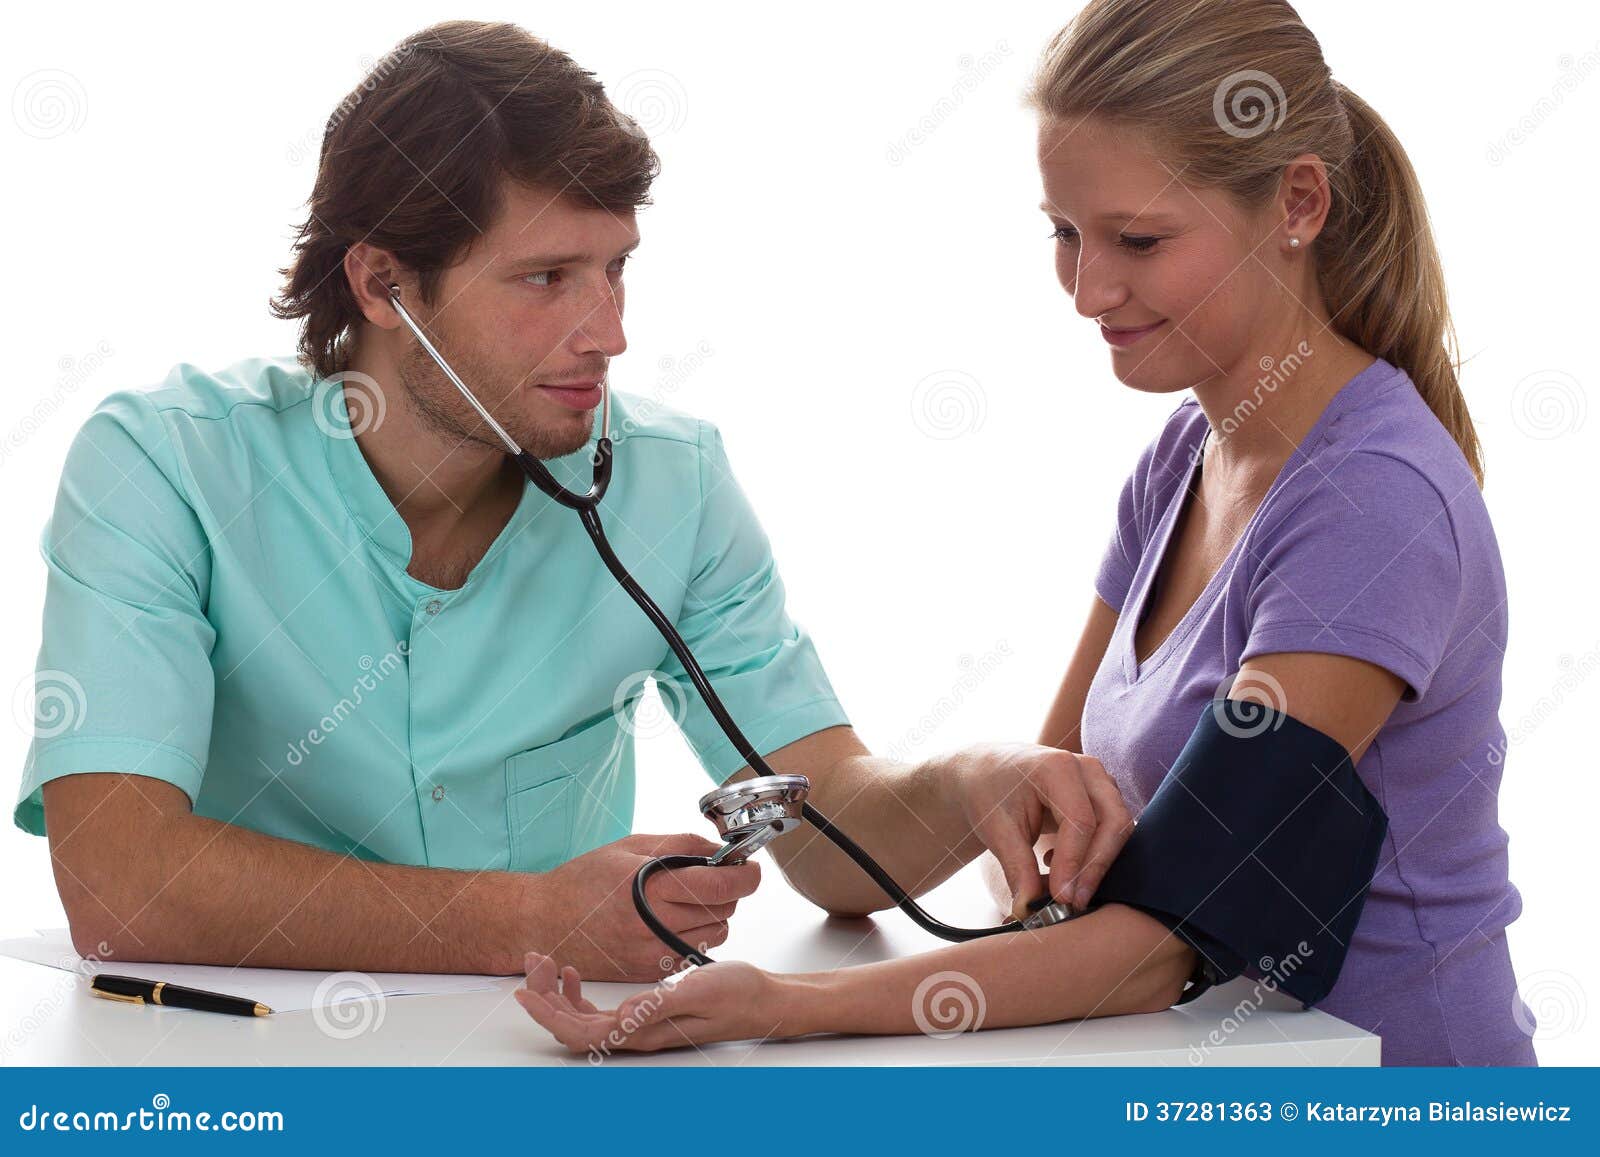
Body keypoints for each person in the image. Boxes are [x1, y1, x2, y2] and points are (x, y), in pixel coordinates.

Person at [517, 0, 1537, 1065]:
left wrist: (783, 1005)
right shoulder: (1183, 457)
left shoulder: (1371, 504)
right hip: (1198, 1073)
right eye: (1064, 232)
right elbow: (1050, 817)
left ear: (1296, 202)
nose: (1088, 289)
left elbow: (1162, 940)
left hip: (1402, 1092)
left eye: (1138, 239)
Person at [14, 21, 1134, 983]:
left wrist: (971, 779)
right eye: (547, 278)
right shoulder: (161, 466)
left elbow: (824, 830)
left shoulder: (671, 481)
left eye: (617, 268)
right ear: (382, 282)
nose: (609, 332)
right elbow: (123, 882)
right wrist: (530, 920)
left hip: (545, 1073)